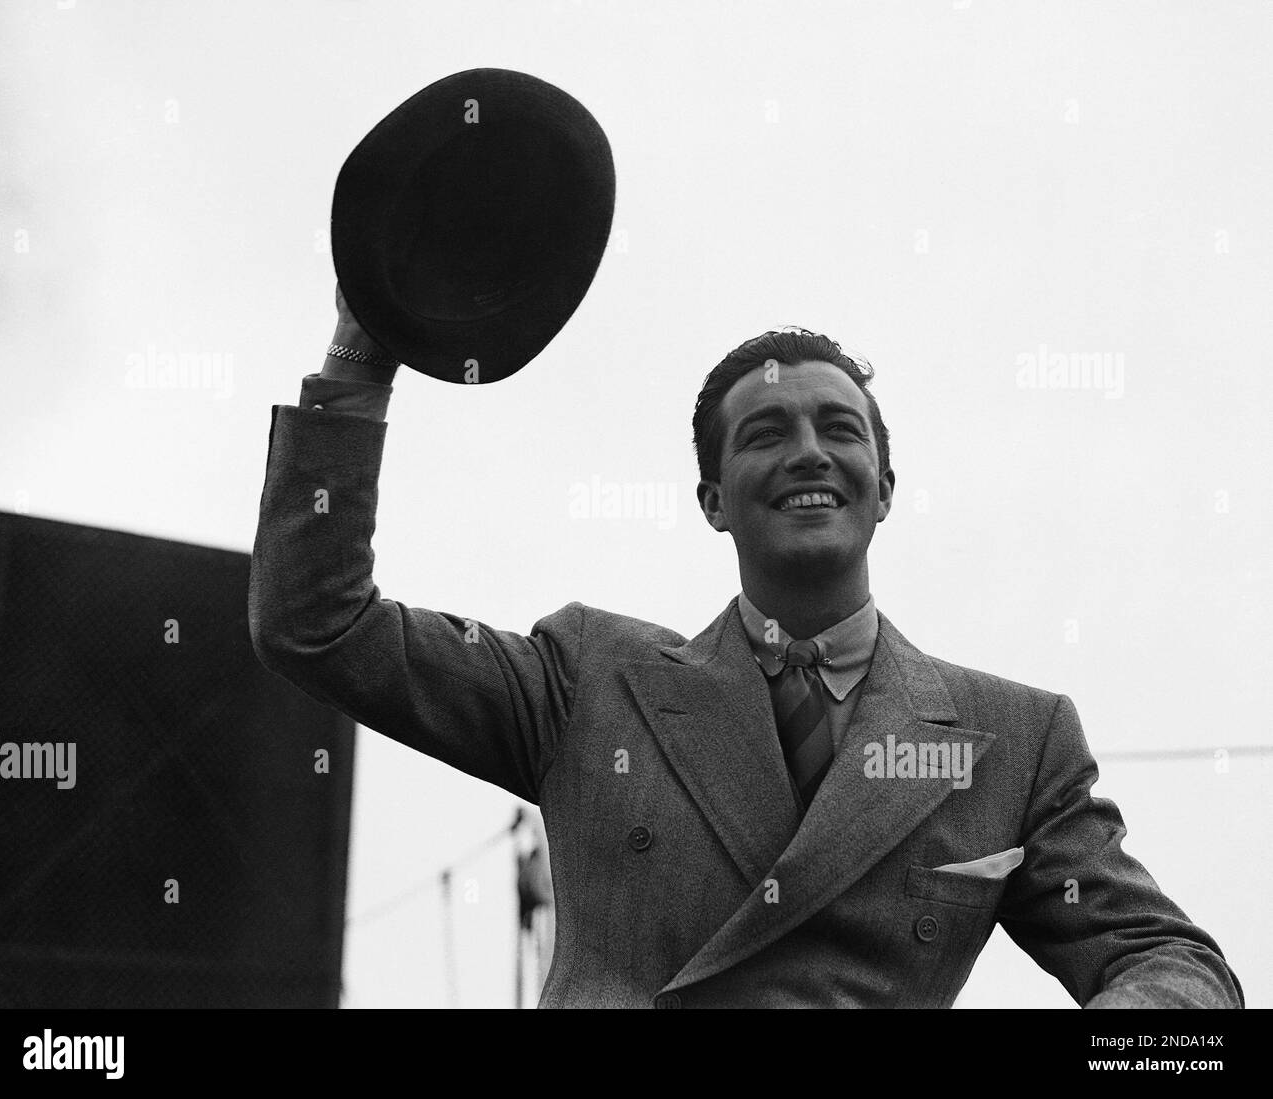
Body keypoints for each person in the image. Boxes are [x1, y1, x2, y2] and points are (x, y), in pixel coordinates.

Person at [248, 286, 1243, 1009]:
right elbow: (319, 624)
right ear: (713, 500)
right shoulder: (589, 678)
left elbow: (1170, 963)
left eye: (838, 430)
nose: (809, 449)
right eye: (766, 432)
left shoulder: (1012, 743)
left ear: (882, 486)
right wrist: (361, 351)